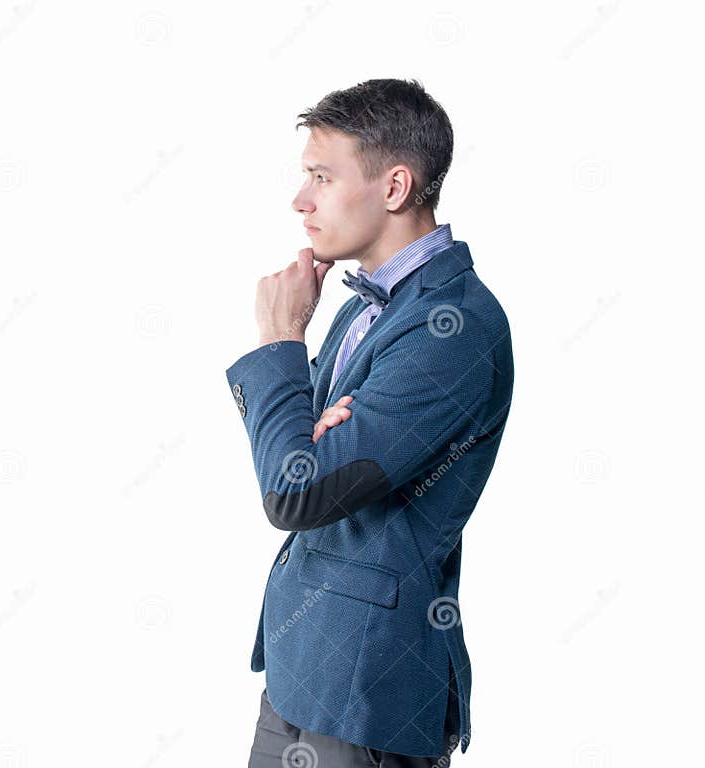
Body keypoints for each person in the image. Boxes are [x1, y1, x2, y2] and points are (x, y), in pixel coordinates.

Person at [225, 78, 514, 767]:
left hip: (368, 686)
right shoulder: (365, 305)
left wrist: (279, 343)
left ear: (393, 188)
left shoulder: (455, 327)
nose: (301, 200)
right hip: (301, 662)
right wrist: (311, 429)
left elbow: (295, 488)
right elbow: (302, 455)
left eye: (322, 177)